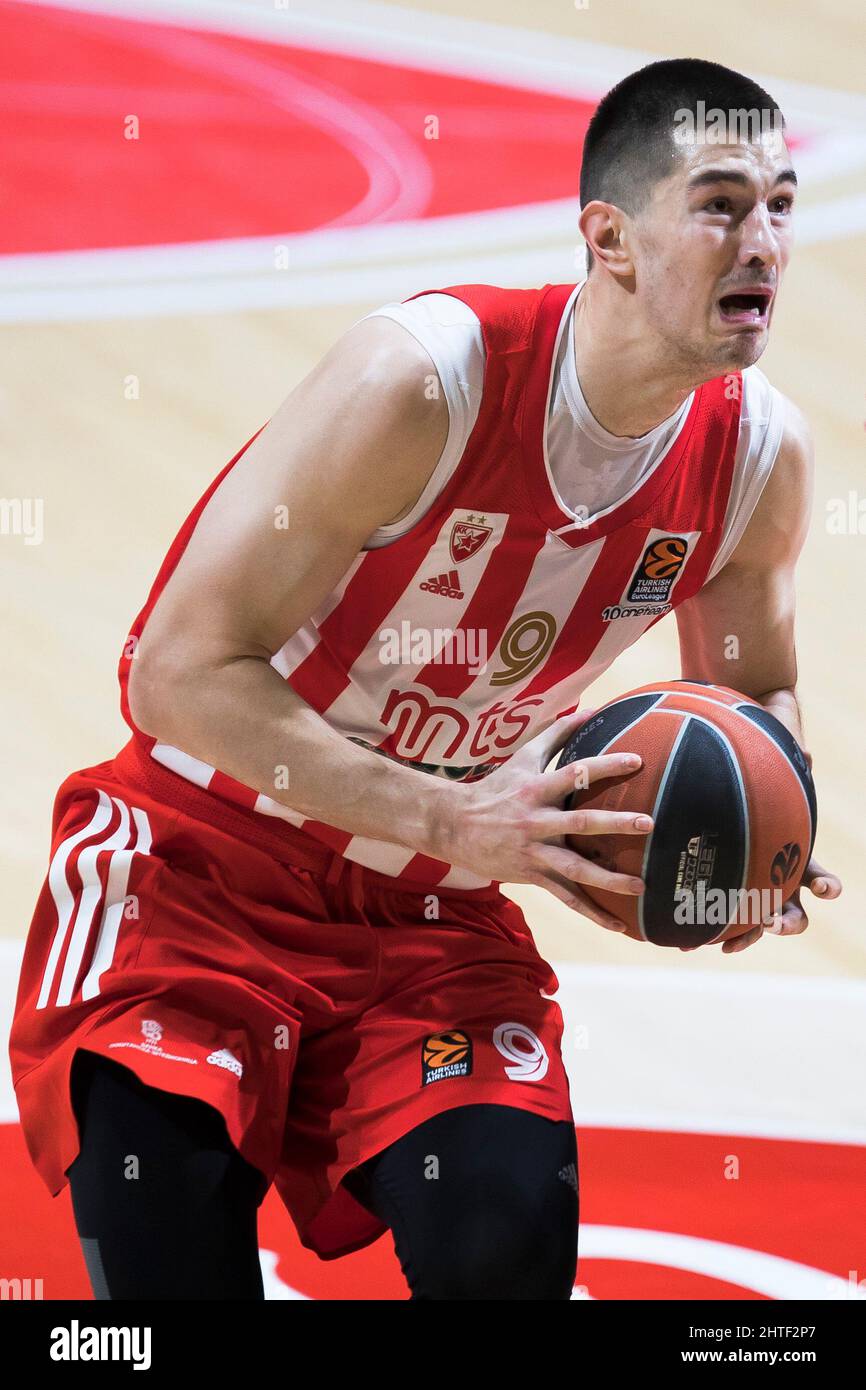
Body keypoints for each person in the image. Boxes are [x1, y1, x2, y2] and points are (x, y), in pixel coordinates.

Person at [10, 58, 841, 1301]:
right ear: (607, 239)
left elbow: (751, 704)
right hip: (198, 869)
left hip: (431, 920)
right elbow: (175, 676)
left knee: (504, 1239)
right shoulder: (423, 380)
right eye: (720, 204)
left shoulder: (757, 454)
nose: (762, 240)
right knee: (163, 1266)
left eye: (780, 203)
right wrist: (456, 816)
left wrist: (749, 838)